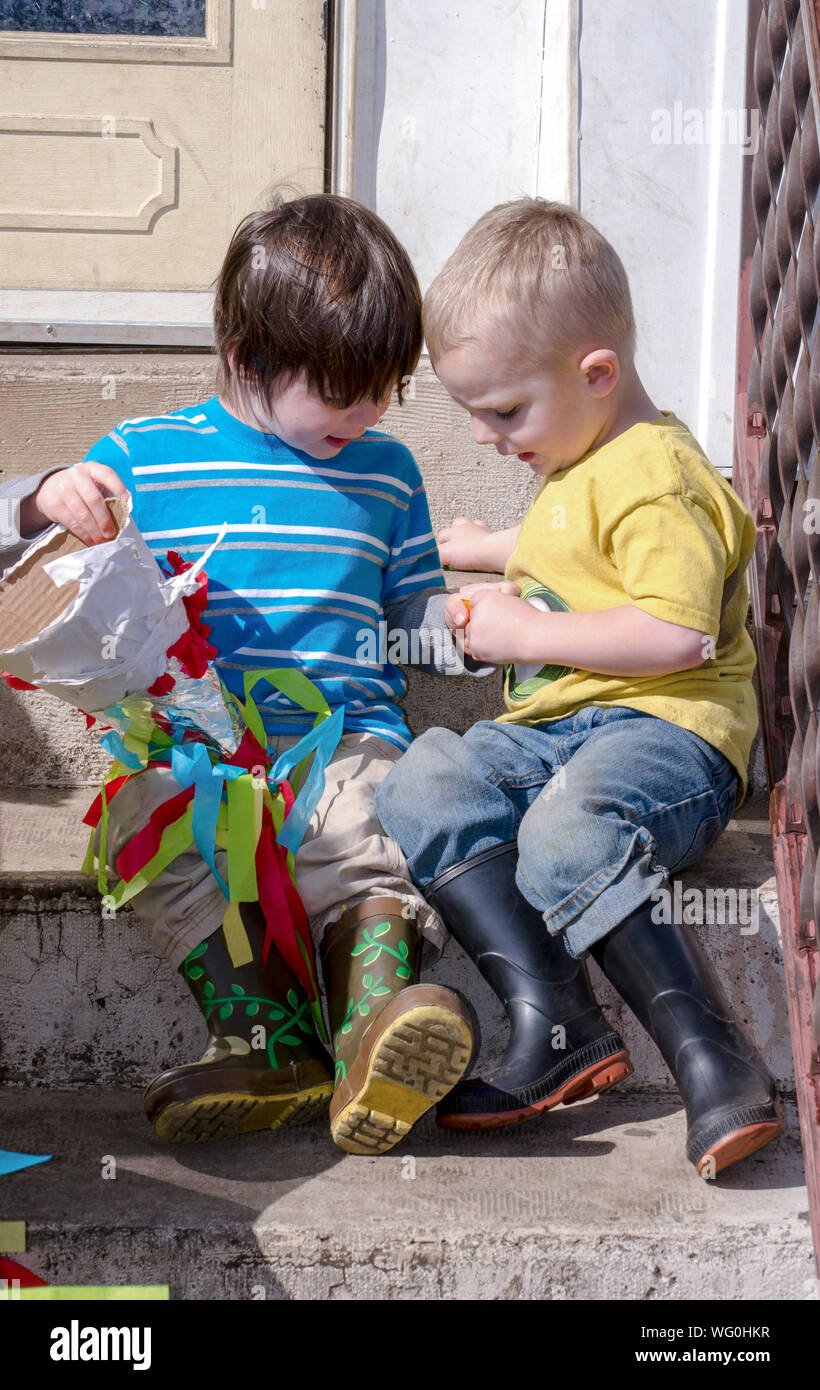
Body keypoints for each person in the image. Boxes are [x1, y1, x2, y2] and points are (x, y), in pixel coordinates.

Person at [0, 194, 476, 1155]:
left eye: (382, 388)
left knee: (362, 824)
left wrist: (483, 625)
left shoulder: (386, 473)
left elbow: (415, 615)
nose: (363, 412)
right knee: (149, 830)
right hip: (194, 757)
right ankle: (265, 1040)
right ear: (242, 356)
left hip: (345, 736)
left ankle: (373, 1027)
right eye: (338, 389)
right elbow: (36, 568)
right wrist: (38, 497)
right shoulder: (143, 457)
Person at [374, 198, 783, 1176]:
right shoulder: (587, 455)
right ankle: (551, 1014)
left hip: (665, 735)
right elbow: (574, 544)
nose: (481, 434)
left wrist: (526, 629)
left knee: (566, 828)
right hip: (561, 726)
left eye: (502, 411)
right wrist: (480, 546)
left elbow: (674, 632)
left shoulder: (659, 476)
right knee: (422, 775)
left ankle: (711, 1058)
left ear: (596, 373)